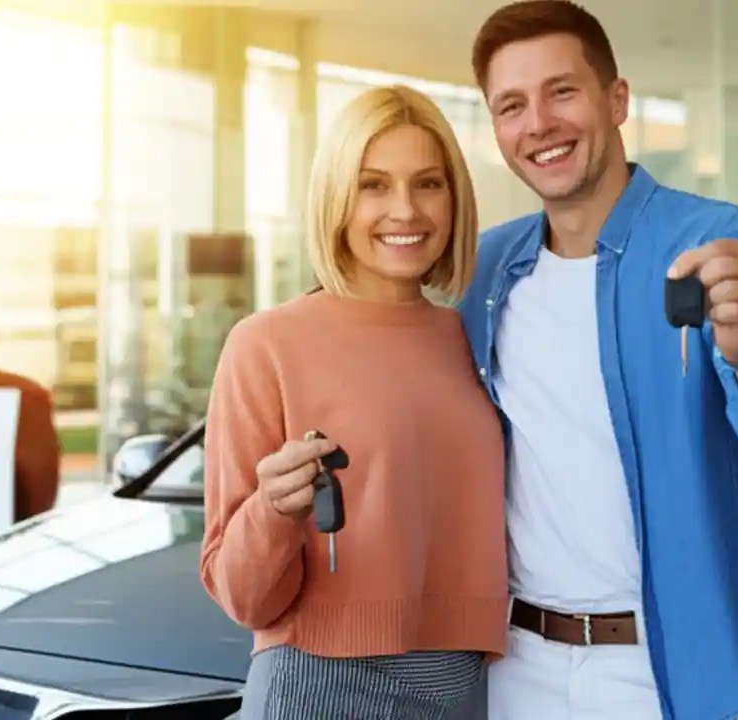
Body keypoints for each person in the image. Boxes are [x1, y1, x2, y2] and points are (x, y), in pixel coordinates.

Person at [459, 2, 738, 719]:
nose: (538, 122)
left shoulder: (716, 239)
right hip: (515, 670)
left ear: (617, 100)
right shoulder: (484, 272)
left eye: (562, 91)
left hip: (670, 675)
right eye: (511, 105)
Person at [199, 84, 509, 720]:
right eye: (373, 185)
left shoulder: (475, 336)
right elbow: (240, 594)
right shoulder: (267, 344)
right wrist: (272, 510)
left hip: (467, 681)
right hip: (319, 681)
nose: (405, 210)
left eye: (428, 183)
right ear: (336, 198)